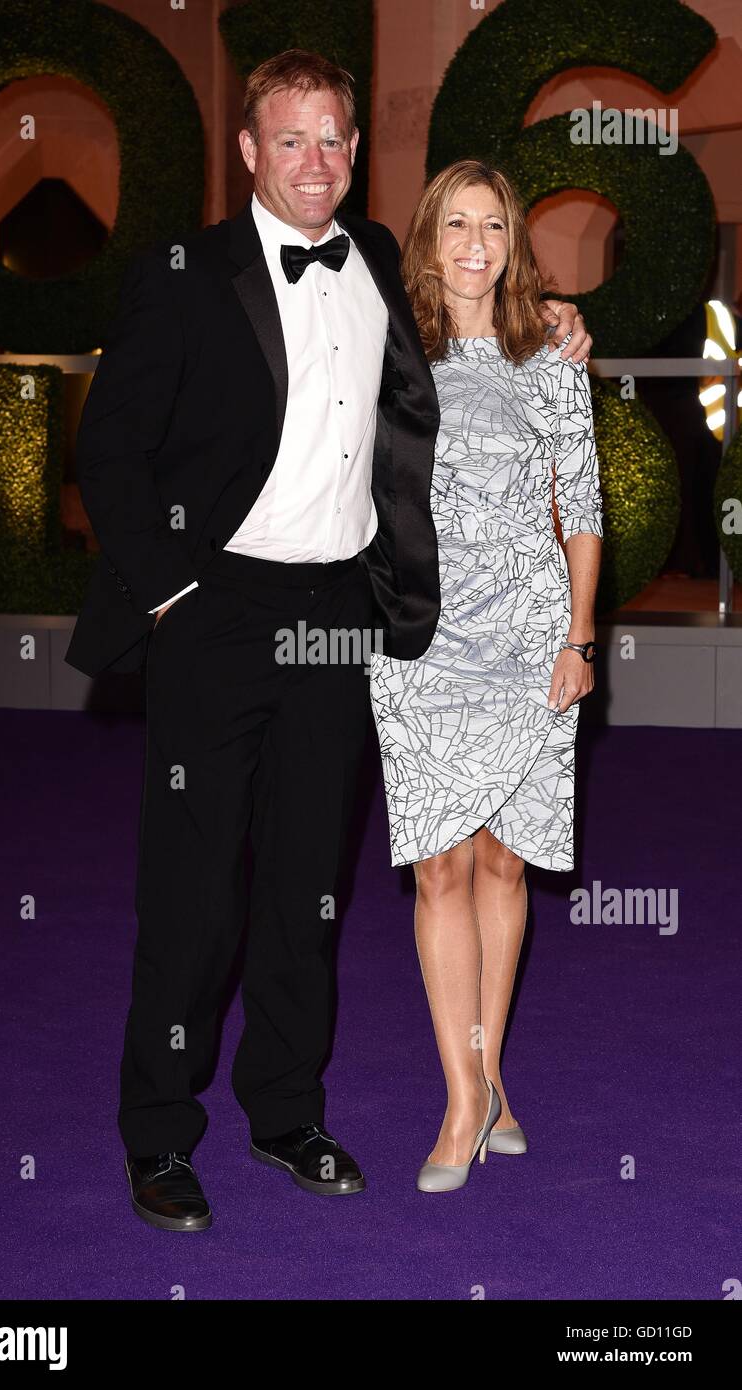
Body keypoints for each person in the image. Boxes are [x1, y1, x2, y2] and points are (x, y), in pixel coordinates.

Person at [65, 52, 590, 1230]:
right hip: (215, 609)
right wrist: (168, 596)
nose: (316, 163)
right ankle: (160, 1131)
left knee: (308, 883)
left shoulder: (382, 275)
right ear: (248, 151)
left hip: (341, 616)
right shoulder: (183, 273)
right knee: (196, 891)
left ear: (358, 151)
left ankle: (286, 1110)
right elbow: (110, 452)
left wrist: (558, 314)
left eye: (335, 141)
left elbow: (475, 327)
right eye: (291, 141)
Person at [369, 159, 603, 1193]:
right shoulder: (389, 353)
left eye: (494, 226)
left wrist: (580, 636)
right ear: (427, 238)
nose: (473, 244)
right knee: (438, 867)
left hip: (528, 639)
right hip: (419, 640)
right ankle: (462, 1098)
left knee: (505, 867)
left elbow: (583, 507)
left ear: (514, 243)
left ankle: (490, 1072)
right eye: (455, 224)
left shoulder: (551, 354)